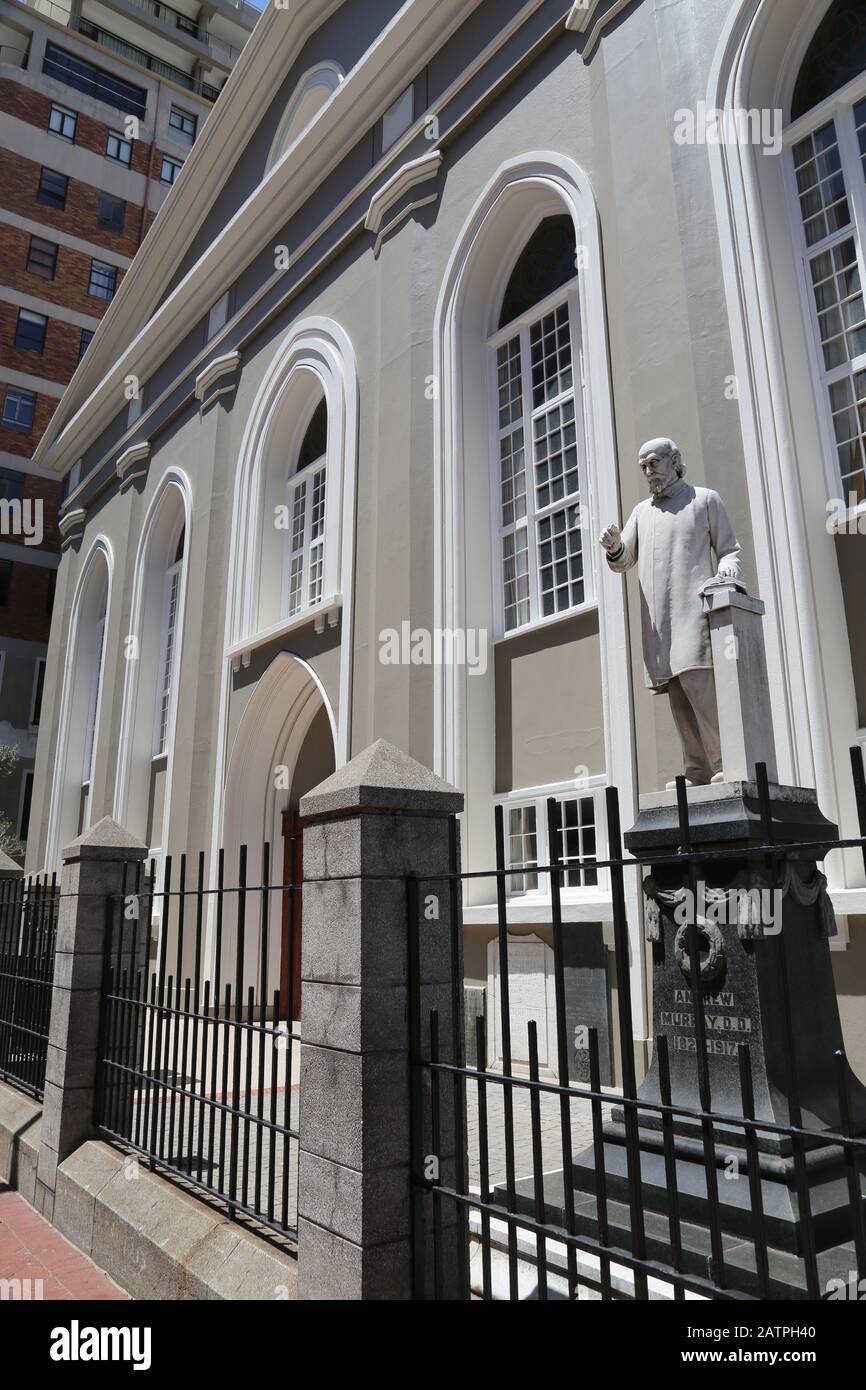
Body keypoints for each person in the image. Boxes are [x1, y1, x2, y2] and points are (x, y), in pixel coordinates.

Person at [599, 438, 741, 787]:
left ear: (675, 460)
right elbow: (624, 562)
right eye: (643, 466)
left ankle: (724, 762)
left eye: (654, 462)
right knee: (677, 695)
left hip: (694, 610)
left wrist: (728, 573)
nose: (649, 471)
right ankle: (696, 770)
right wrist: (615, 547)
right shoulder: (641, 512)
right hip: (660, 622)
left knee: (699, 687)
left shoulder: (704, 499)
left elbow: (729, 550)